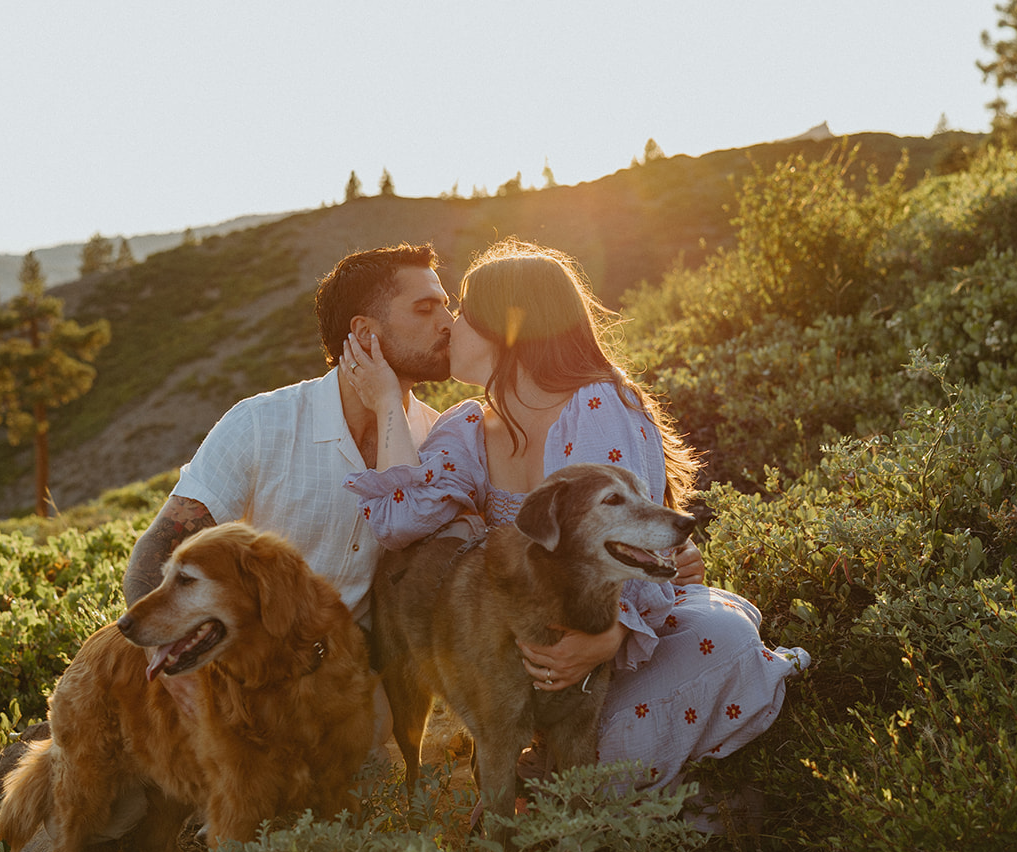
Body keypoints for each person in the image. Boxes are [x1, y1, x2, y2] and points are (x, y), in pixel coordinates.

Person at [343, 239, 808, 816]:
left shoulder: (595, 406)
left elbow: (625, 548)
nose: (450, 327)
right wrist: (389, 401)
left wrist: (605, 640)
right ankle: (579, 784)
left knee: (723, 641)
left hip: (619, 630)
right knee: (557, 734)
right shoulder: (467, 427)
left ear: (505, 330)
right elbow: (402, 523)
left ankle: (578, 787)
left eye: (463, 312)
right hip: (525, 652)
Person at [122, 243, 453, 742]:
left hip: (345, 678)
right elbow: (159, 549)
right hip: (239, 668)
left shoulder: (438, 440)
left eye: (446, 305)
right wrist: (174, 667)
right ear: (364, 333)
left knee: (375, 775)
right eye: (426, 309)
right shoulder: (260, 424)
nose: (448, 321)